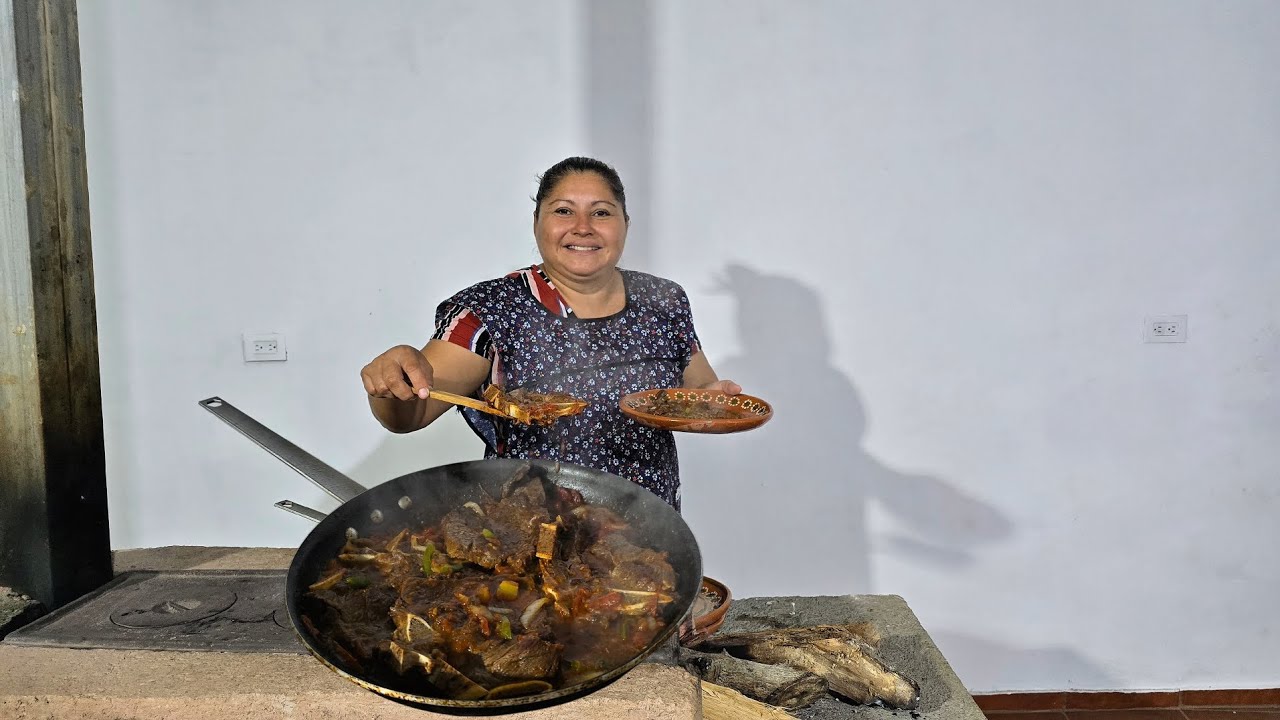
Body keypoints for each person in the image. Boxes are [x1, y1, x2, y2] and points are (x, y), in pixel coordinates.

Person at [360, 156, 739, 510]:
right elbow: (412, 412)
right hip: (530, 529)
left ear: (625, 223)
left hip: (650, 526)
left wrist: (714, 401)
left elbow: (697, 388)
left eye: (601, 213)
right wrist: (394, 379)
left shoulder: (664, 301)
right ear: (537, 222)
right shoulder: (490, 308)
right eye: (563, 211)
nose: (583, 227)